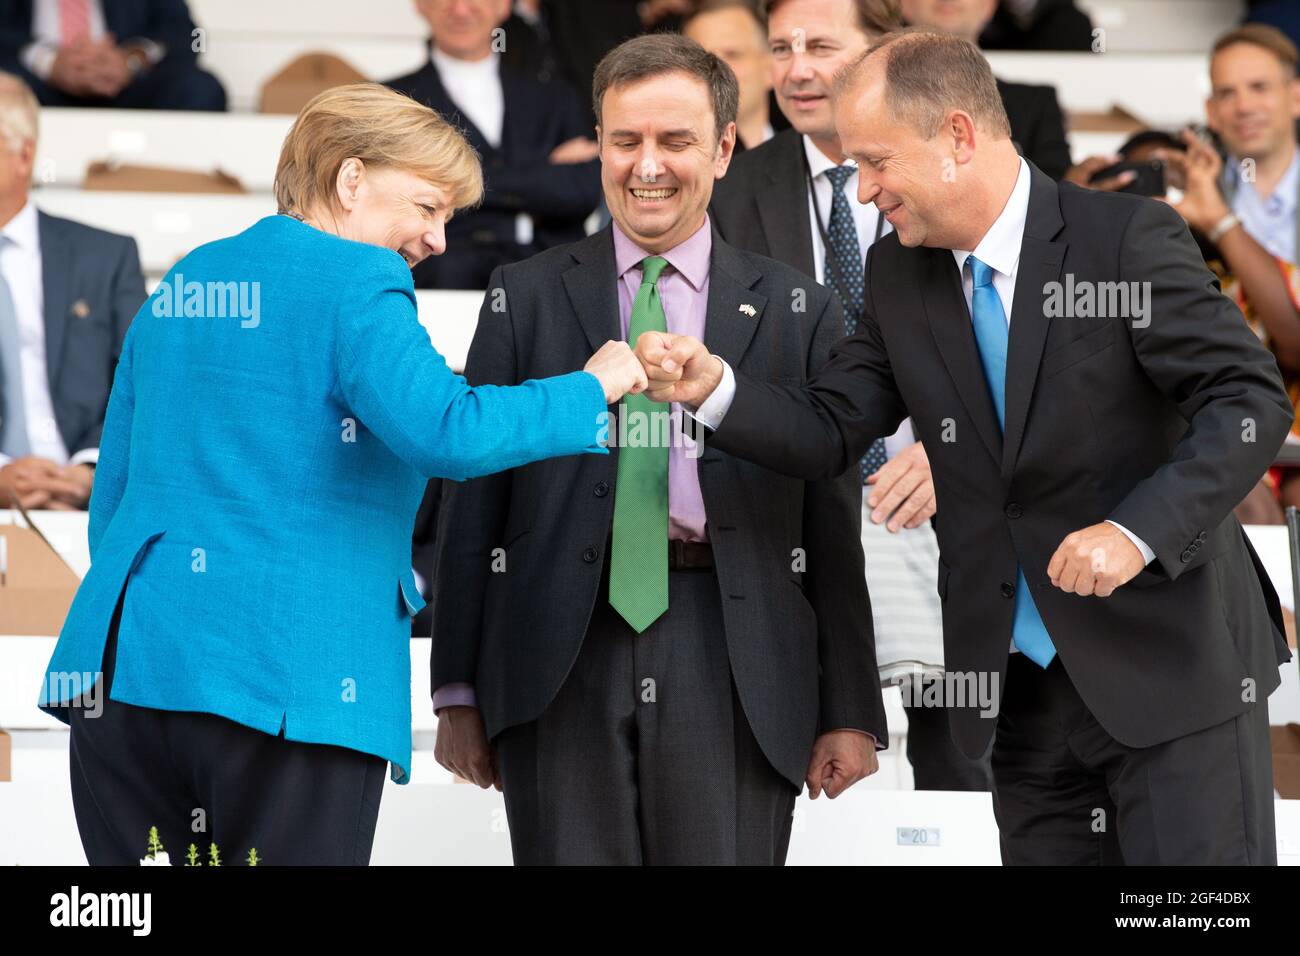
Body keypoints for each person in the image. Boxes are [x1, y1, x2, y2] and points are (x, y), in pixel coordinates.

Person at [637, 31, 1294, 864]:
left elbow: (1246, 401)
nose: (863, 189)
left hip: (1172, 672)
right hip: (1019, 697)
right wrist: (715, 389)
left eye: (877, 162)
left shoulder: (1126, 237)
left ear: (957, 136)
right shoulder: (896, 272)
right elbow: (835, 423)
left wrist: (1134, 533)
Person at [36, 83, 647, 866]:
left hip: (126, 679)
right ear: (350, 179)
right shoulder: (358, 281)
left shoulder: (189, 276)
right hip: (288, 686)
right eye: (428, 207)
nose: (437, 239)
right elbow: (447, 430)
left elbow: (113, 490)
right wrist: (590, 387)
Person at [432, 33, 888, 866]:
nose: (647, 166)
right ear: (599, 145)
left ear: (722, 149)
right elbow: (476, 500)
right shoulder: (522, 297)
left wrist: (849, 705)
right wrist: (457, 687)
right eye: (624, 140)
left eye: (675, 141)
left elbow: (829, 521)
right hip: (555, 656)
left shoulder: (799, 308)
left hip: (736, 652)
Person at [711, 0, 989, 792]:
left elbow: (1023, 349)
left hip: (953, 513)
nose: (796, 68)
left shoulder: (957, 181)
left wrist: (959, 449)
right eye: (780, 47)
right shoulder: (729, 193)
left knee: (966, 774)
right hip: (799, 513)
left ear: (885, 54)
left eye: (822, 45)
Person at [0, 71, 145, 511]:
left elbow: (142, 379)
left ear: (23, 155)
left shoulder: (106, 256)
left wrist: (94, 471)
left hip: (88, 501)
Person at [385, 0, 601, 290]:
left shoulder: (556, 97)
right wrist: (541, 173)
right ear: (420, 5)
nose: (460, 9)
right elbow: (397, 197)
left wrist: (452, 182)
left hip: (551, 279)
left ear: (504, 5)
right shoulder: (391, 101)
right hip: (440, 281)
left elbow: (582, 192)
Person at [900, 0, 1070, 179]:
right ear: (904, 4)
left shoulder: (1036, 103)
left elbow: (1053, 186)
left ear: (989, 6)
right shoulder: (877, 97)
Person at [0, 0, 225, 110]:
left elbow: (188, 35)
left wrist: (131, 60)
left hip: (127, 90)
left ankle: (177, 187)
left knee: (200, 88)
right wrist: (48, 62)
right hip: (33, 91)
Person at [683, 0, 774, 152]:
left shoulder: (807, 158)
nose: (717, 69)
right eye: (702, 58)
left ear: (771, 68)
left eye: (732, 54)